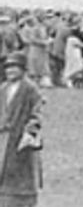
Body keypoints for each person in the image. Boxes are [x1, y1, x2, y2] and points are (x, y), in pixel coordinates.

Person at [0, 52, 42, 207]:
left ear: (23, 69)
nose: (10, 71)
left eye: (14, 67)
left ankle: (23, 201)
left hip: (21, 140)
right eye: (7, 68)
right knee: (4, 172)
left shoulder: (30, 89)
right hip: (3, 139)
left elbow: (36, 113)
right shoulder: (3, 89)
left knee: (23, 173)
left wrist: (30, 132)